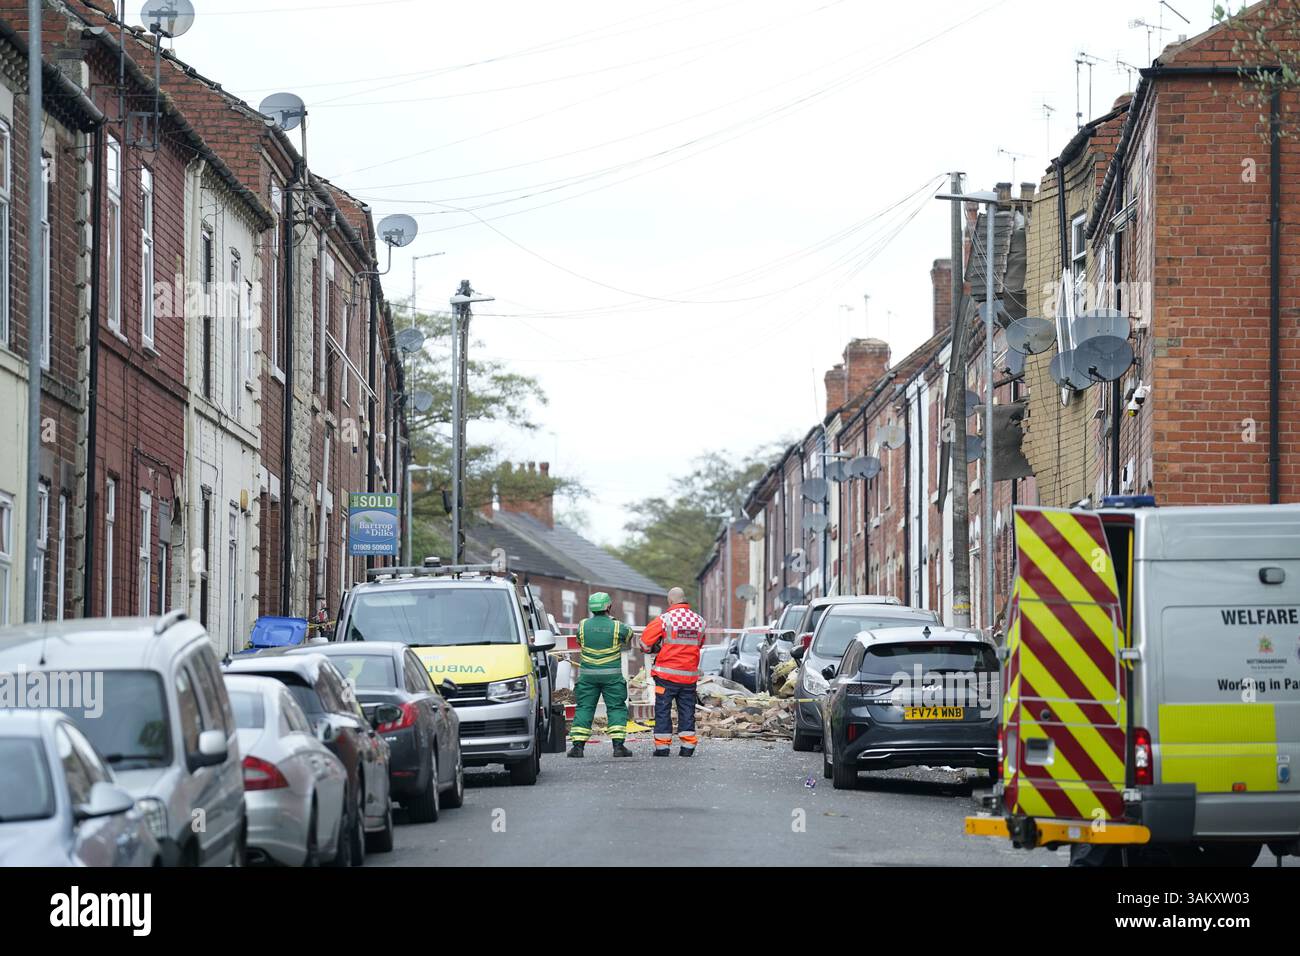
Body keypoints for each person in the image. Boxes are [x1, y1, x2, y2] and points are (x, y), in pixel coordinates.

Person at [638, 587, 706, 756]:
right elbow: (699, 644)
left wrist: (658, 647)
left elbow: (644, 644)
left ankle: (662, 748)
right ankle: (688, 747)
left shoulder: (664, 620)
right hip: (689, 678)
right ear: (684, 599)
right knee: (687, 711)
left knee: (663, 709)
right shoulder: (700, 621)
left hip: (666, 676)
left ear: (670, 601)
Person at [568, 592, 636, 758]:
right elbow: (629, 635)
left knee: (584, 707)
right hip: (611, 677)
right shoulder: (618, 626)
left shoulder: (582, 625)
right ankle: (618, 747)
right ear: (608, 607)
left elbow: (579, 641)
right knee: (616, 708)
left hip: (588, 676)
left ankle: (578, 747)